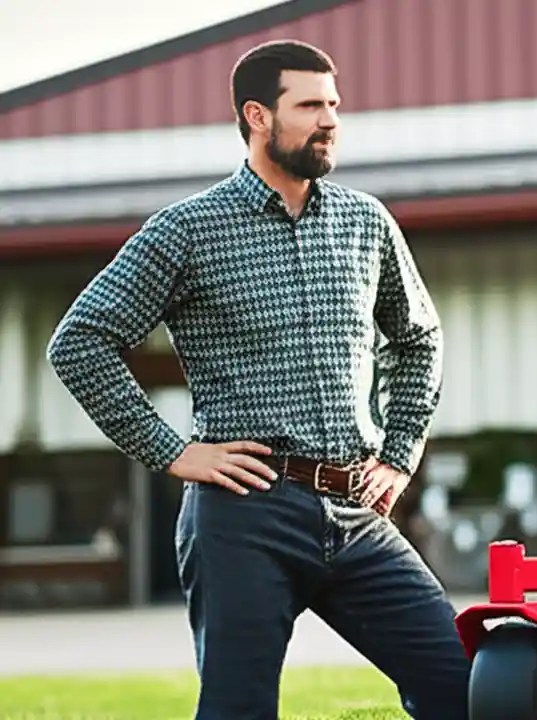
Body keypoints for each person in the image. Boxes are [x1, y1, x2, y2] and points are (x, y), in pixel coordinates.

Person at [46, 40, 470, 720]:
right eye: (309, 105)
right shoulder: (186, 231)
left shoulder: (366, 222)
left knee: (463, 687)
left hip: (357, 512)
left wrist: (399, 454)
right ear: (258, 116)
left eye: (334, 104)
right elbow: (80, 342)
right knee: (238, 709)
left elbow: (417, 338)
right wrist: (173, 451)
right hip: (244, 516)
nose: (330, 120)